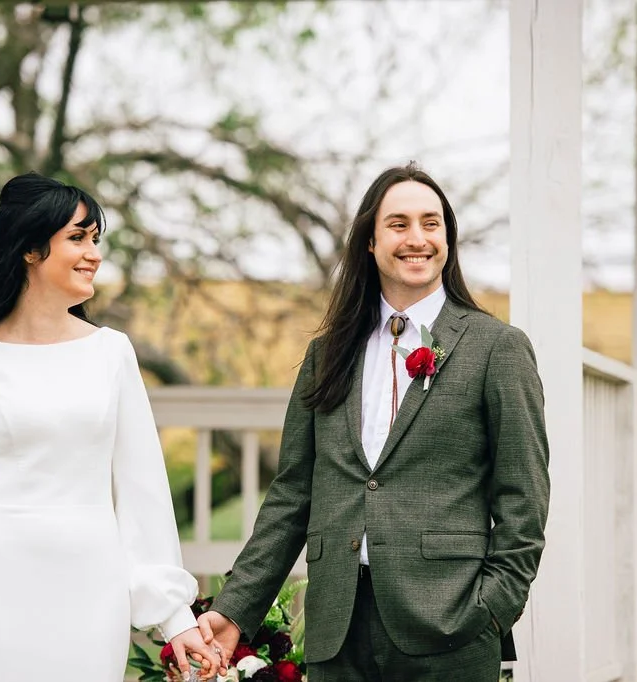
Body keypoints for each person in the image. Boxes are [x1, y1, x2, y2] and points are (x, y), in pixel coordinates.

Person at [197, 162, 550, 681]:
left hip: (451, 626)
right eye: (398, 224)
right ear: (370, 240)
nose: (417, 239)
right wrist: (234, 610)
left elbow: (524, 497)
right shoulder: (328, 354)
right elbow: (293, 494)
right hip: (337, 631)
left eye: (431, 224)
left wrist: (493, 608)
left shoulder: (497, 348)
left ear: (447, 238)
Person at [0, 173, 220, 682]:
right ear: (30, 249)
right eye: (77, 237)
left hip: (93, 590)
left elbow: (142, 492)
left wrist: (175, 617)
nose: (94, 254)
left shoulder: (111, 353)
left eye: (95, 239)